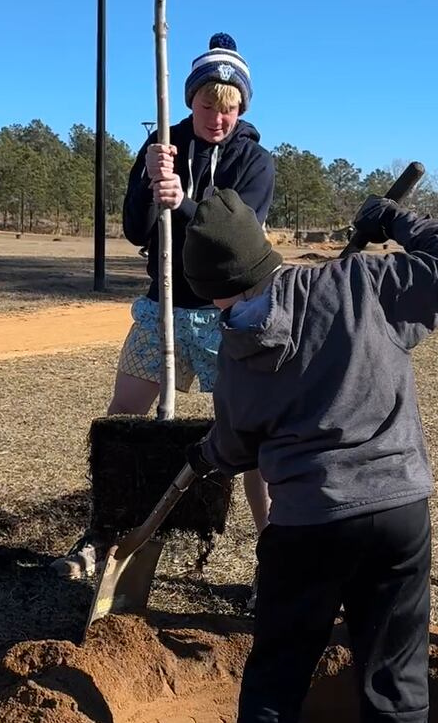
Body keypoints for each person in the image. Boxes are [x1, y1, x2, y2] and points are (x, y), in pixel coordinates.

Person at [181, 188, 438, 723]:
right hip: (395, 515)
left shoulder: (235, 361)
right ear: (265, 256)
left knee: (277, 678)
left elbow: (236, 447)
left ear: (211, 291)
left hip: (305, 529)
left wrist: (207, 455)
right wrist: (397, 220)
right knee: (394, 674)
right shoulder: (359, 284)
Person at [53, 32, 276, 581]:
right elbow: (134, 230)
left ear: (241, 108)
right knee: (125, 418)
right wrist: (152, 186)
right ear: (189, 100)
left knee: (256, 437)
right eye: (206, 106)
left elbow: (238, 239)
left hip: (230, 314)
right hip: (162, 307)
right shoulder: (162, 147)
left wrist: (188, 201)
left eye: (228, 110)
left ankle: (276, 559)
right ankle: (102, 536)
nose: (216, 119)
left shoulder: (255, 161)